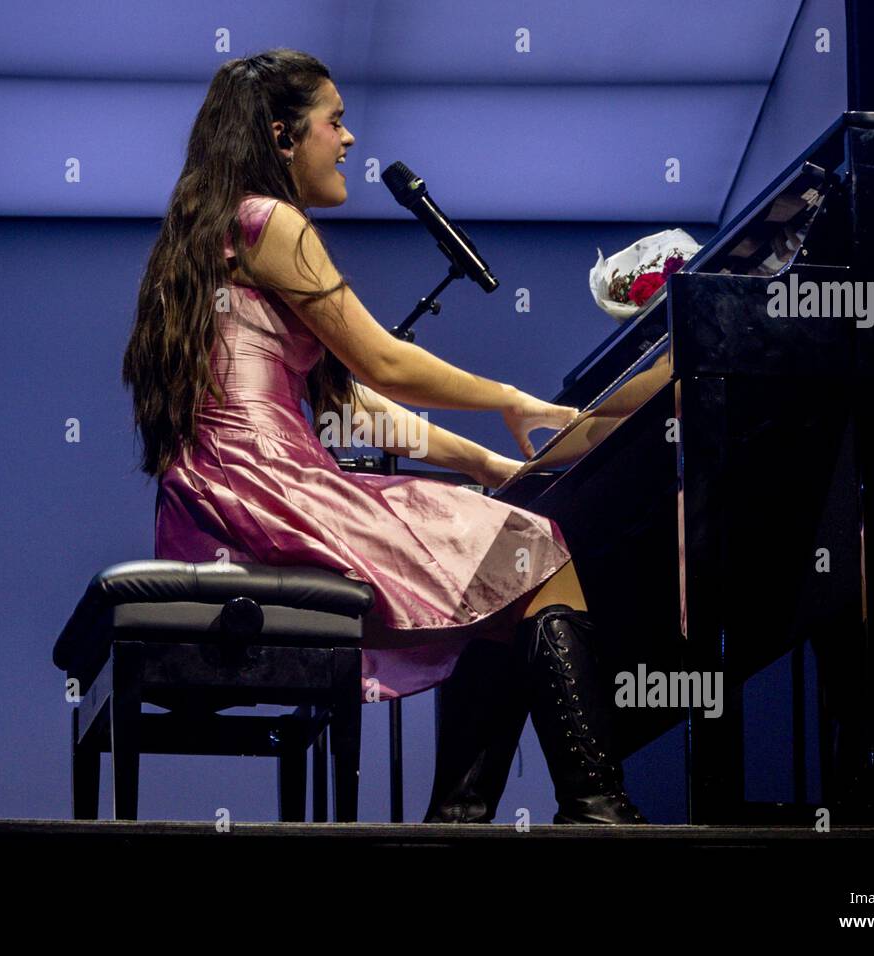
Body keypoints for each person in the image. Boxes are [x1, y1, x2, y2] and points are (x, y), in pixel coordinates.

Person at [121, 48, 646, 825]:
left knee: (500, 571)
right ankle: (596, 813)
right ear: (282, 138)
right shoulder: (273, 222)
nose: (350, 140)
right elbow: (385, 363)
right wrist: (509, 397)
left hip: (212, 501)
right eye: (335, 122)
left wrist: (486, 459)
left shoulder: (218, 228)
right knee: (537, 555)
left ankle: (462, 822)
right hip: (266, 490)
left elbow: (351, 405)